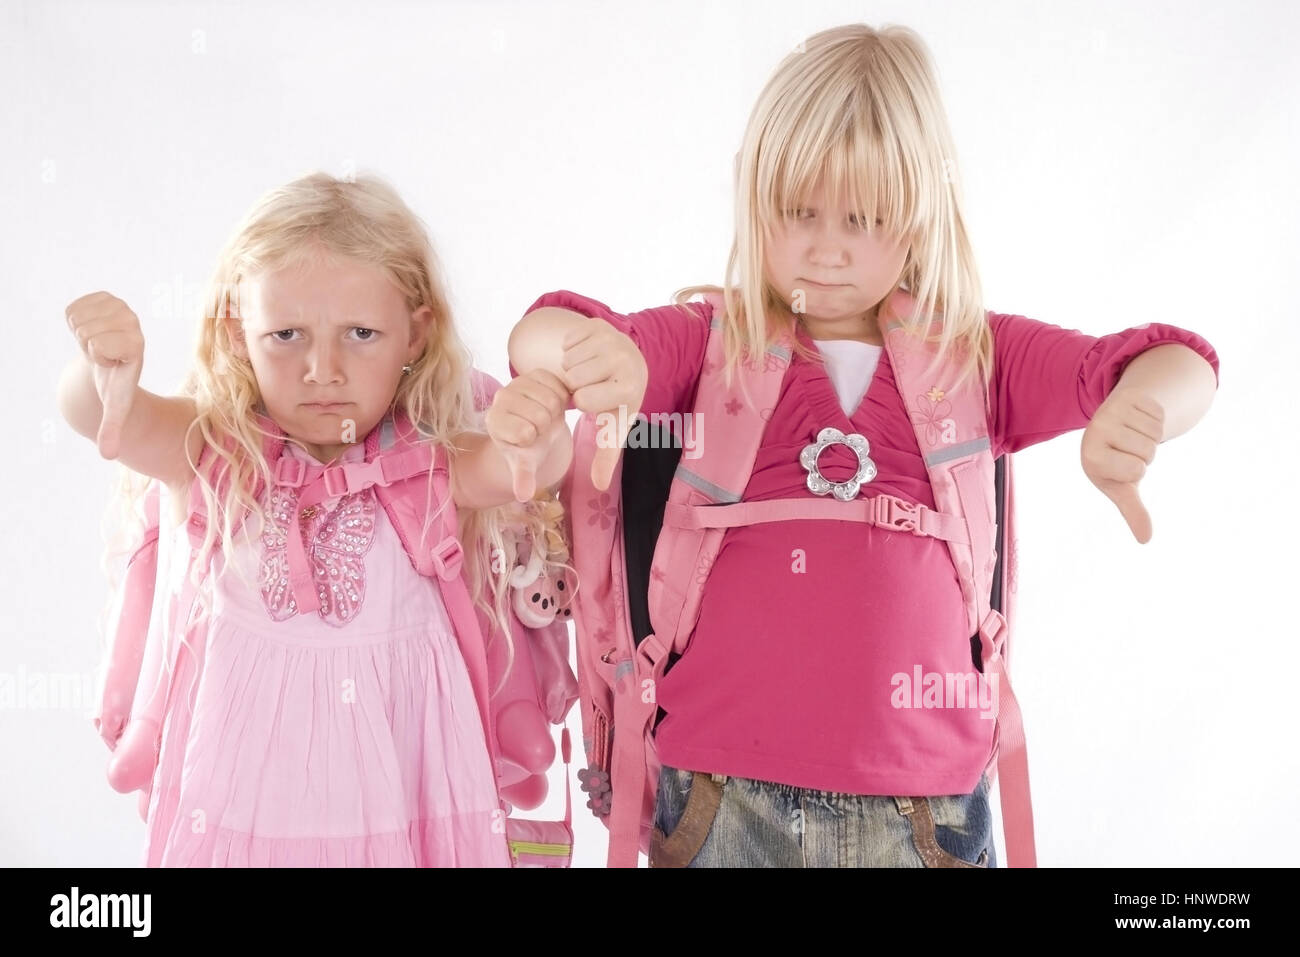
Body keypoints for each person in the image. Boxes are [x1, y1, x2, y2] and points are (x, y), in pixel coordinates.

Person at [505, 24, 1221, 867]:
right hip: (717, 800)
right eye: (797, 211)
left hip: (928, 814)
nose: (827, 245)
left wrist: (1139, 405)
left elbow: (1179, 361)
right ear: (753, 200)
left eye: (865, 216)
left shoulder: (974, 358)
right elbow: (544, 329)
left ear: (918, 217)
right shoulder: (710, 345)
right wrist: (600, 361)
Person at [58, 172, 572, 866]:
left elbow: (534, 465)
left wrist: (530, 430)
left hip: (404, 797)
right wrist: (103, 377)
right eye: (287, 334)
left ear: (416, 334)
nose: (321, 369)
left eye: (361, 333)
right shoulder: (218, 451)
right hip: (244, 801)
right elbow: (100, 417)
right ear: (239, 333)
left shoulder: (428, 463)